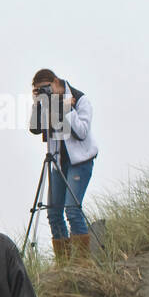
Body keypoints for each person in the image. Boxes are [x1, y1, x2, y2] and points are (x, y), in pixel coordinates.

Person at [30, 68, 98, 261]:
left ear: (56, 82)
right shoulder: (46, 103)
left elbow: (81, 132)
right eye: (40, 90)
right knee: (53, 213)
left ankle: (83, 264)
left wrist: (66, 108)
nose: (45, 92)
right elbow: (35, 128)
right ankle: (64, 264)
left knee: (72, 210)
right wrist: (38, 104)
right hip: (57, 162)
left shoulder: (79, 100)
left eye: (47, 88)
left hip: (80, 161)